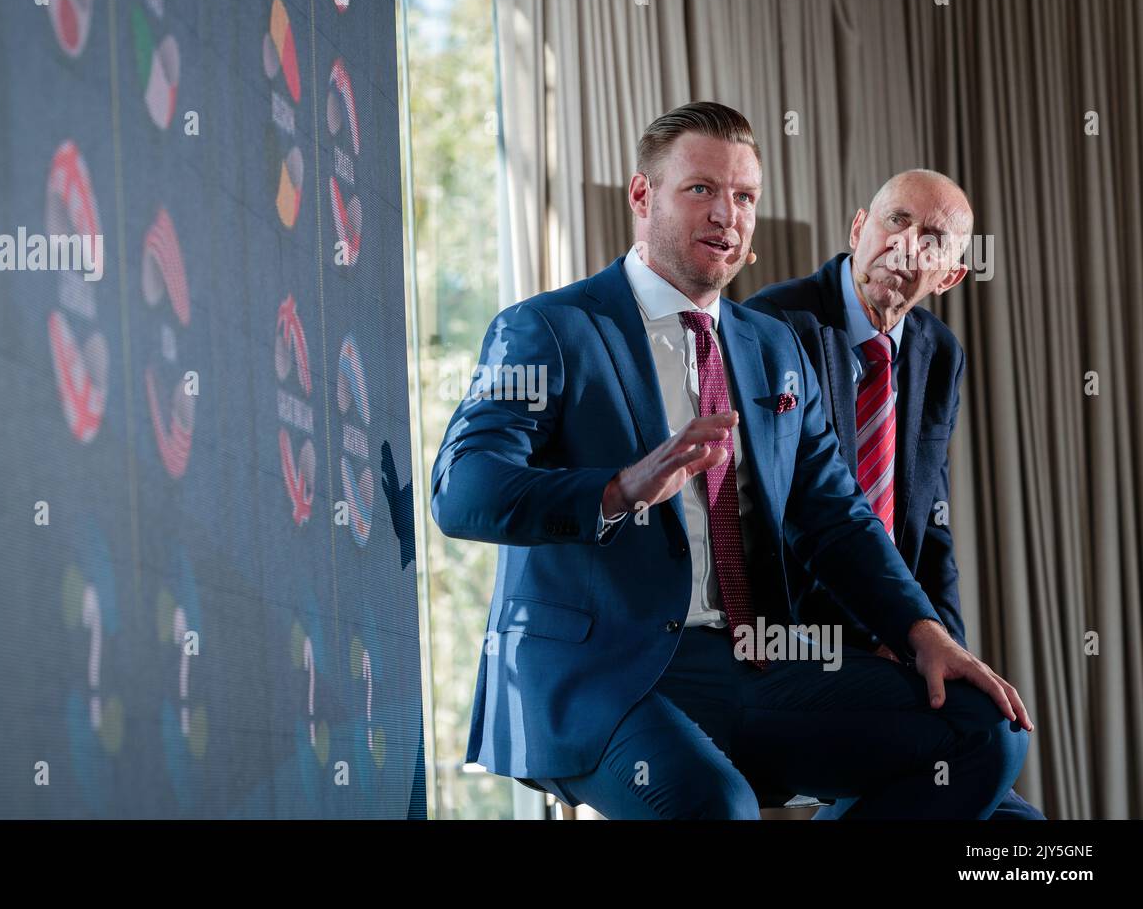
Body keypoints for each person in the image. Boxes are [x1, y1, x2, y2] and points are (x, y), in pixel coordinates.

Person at [430, 101, 1031, 818]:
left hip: (753, 662)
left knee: (986, 730)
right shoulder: (547, 328)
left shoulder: (772, 347)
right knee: (718, 807)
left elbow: (835, 516)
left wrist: (921, 631)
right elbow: (461, 491)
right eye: (701, 190)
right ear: (643, 196)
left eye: (744, 196)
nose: (727, 213)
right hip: (602, 675)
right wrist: (620, 490)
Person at [744, 169, 1044, 819]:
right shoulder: (776, 324)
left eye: (933, 239)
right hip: (799, 639)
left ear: (951, 276)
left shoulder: (938, 351)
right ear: (858, 228)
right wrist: (889, 633)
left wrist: (948, 648)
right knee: (985, 751)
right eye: (896, 221)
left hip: (896, 636)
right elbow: (791, 517)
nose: (907, 247)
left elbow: (929, 528)